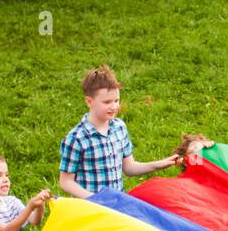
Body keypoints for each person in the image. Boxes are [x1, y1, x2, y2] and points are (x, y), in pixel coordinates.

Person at [58, 64, 180, 198]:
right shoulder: (77, 138)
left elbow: (129, 168)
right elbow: (66, 182)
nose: (114, 106)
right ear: (89, 102)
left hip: (117, 204)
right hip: (91, 209)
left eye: (116, 100)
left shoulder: (119, 127)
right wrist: (94, 199)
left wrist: (160, 164)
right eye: (107, 102)